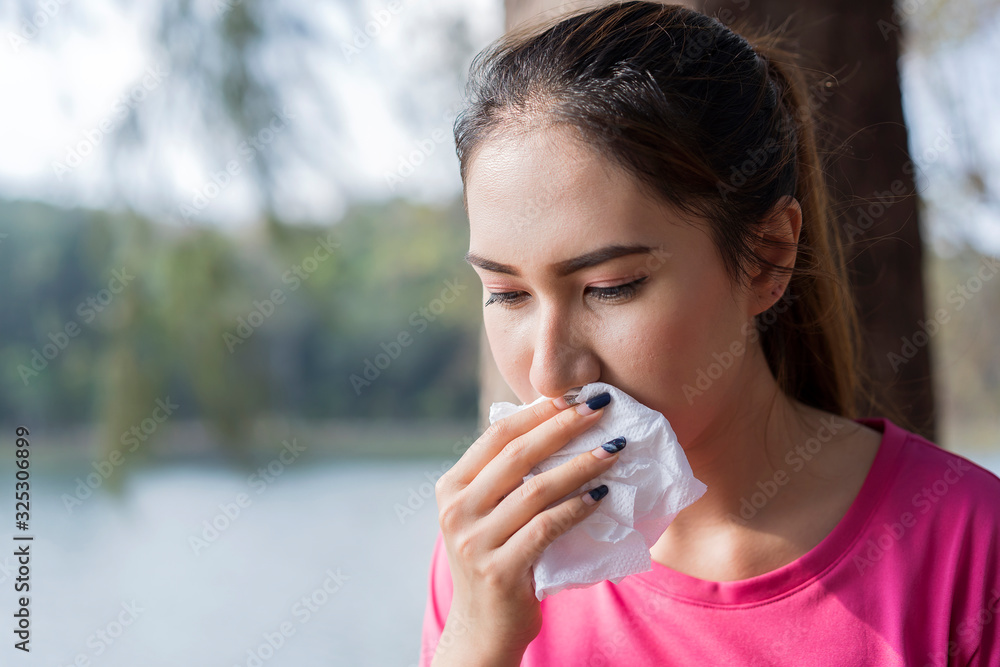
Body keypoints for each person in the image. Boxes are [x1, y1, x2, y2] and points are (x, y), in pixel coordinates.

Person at [420, 3, 1000, 665]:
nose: (550, 371)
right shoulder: (493, 554)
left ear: (768, 255)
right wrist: (475, 639)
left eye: (610, 286)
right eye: (507, 293)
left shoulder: (970, 551)